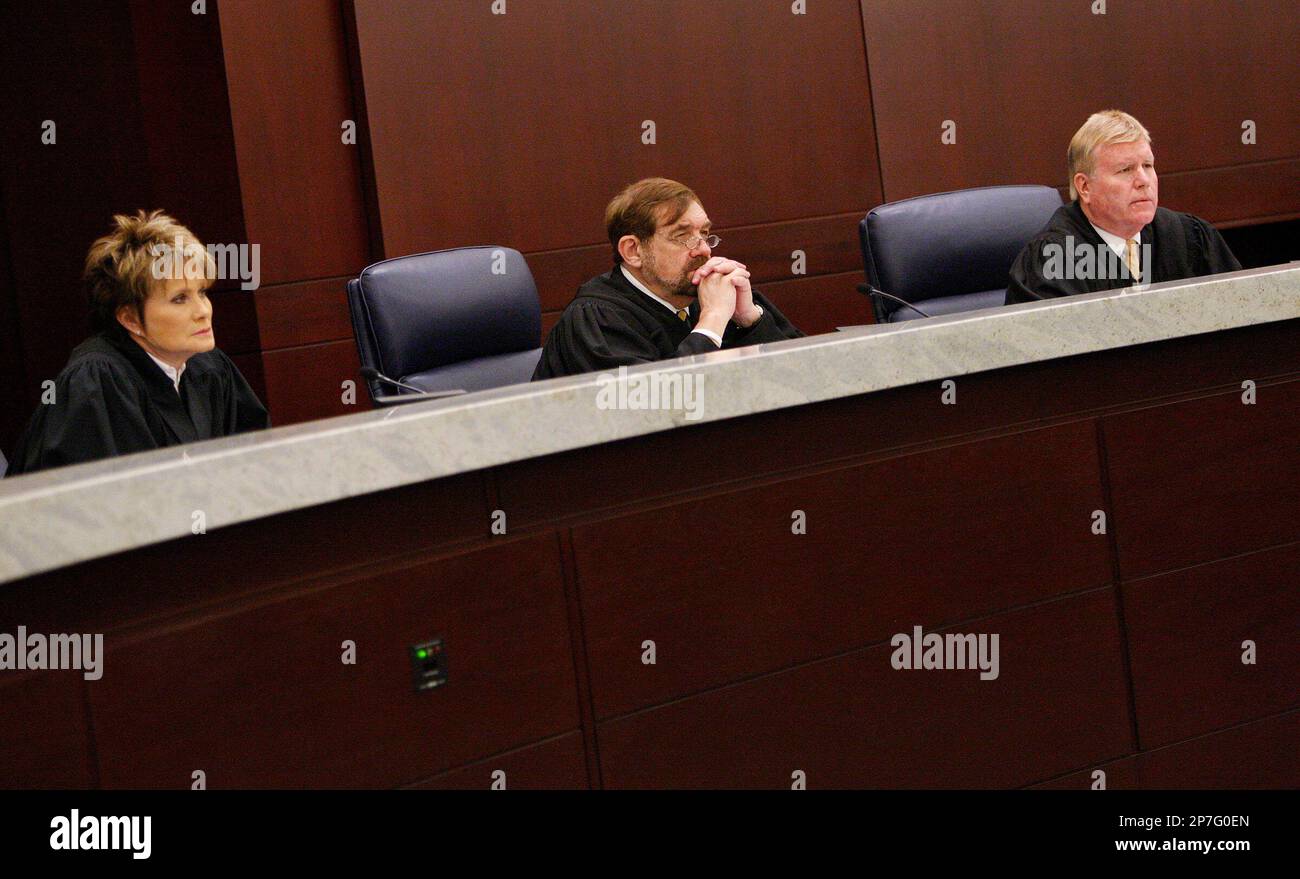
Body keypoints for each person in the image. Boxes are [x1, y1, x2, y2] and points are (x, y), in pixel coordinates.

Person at [5, 210, 269, 475]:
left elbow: (259, 464)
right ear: (130, 319)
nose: (203, 310)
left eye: (202, 292)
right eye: (180, 299)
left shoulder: (210, 368)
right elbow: (110, 493)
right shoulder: (96, 382)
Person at [532, 177, 803, 380]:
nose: (703, 249)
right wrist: (712, 321)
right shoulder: (596, 318)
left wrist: (751, 321)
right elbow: (657, 409)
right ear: (633, 251)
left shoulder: (713, 295)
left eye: (704, 234)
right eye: (682, 236)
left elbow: (809, 375)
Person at [1007, 110, 1241, 304]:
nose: (1143, 181)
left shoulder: (1188, 237)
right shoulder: (1055, 260)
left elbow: (1241, 311)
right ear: (1085, 187)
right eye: (1125, 170)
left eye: (1147, 166)